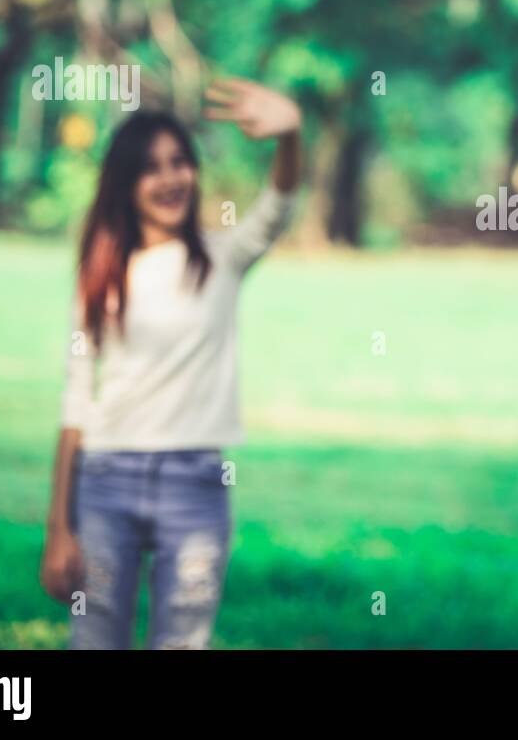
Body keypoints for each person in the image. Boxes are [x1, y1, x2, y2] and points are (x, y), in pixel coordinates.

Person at [39, 79, 302, 649]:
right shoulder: (100, 274)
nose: (170, 178)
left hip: (195, 482)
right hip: (106, 480)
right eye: (152, 168)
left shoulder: (220, 257)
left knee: (183, 640)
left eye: (181, 162)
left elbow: (278, 206)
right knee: (96, 638)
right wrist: (59, 528)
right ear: (126, 184)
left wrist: (289, 136)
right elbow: (76, 400)